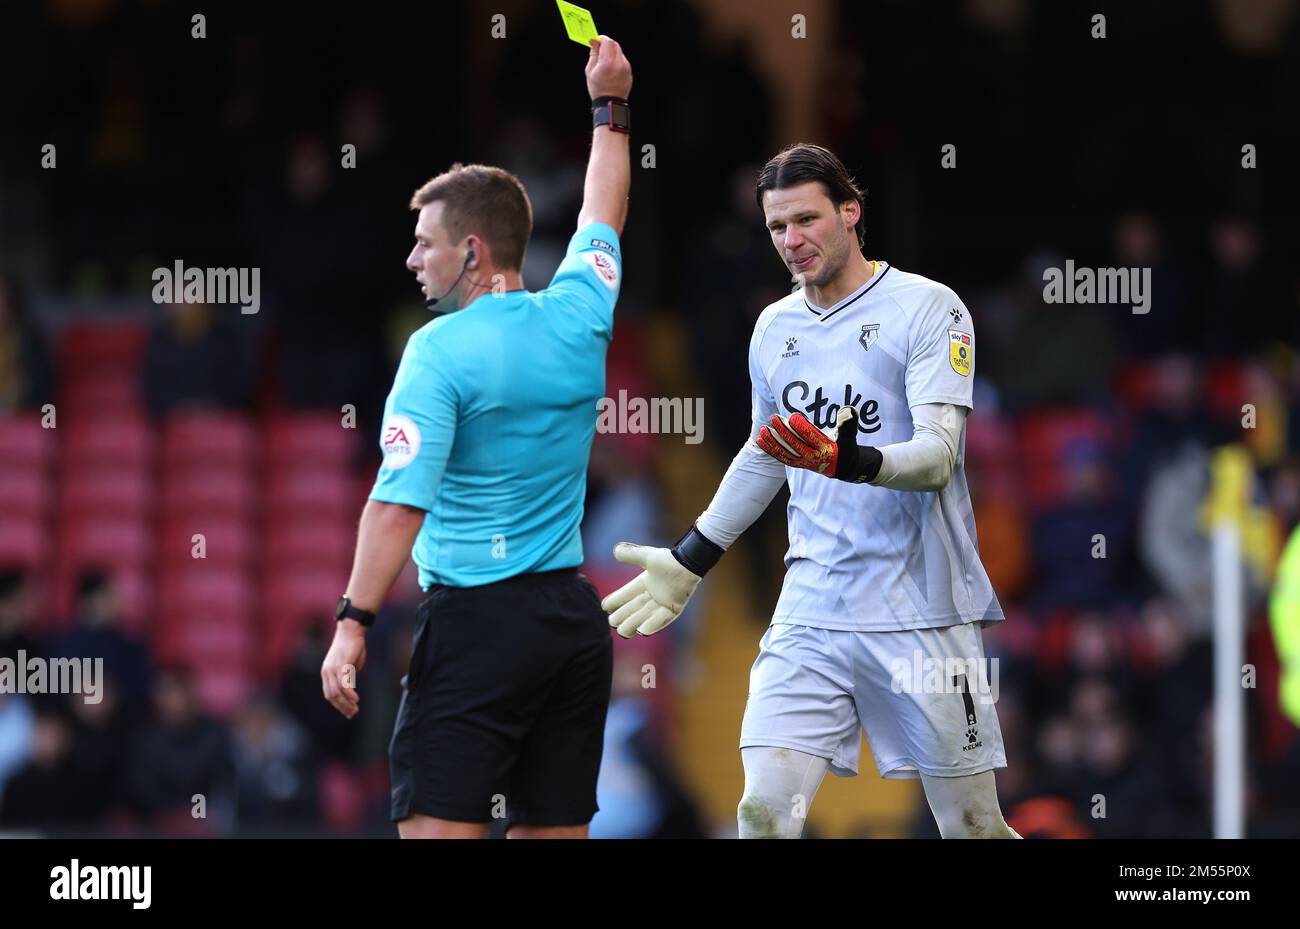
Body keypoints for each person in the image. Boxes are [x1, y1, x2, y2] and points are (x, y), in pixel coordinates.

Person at [602, 143, 1020, 838]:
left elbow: (940, 457)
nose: (791, 241)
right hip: (813, 608)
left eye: (806, 219)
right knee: (762, 813)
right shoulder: (773, 327)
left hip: (924, 606)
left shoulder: (928, 308)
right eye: (776, 227)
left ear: (850, 213)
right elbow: (767, 452)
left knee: (973, 824)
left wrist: (853, 459)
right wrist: (692, 555)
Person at [320, 35, 633, 840]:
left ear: (471, 250)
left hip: (477, 628)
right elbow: (604, 212)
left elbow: (397, 506)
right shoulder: (580, 314)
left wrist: (353, 622)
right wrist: (612, 108)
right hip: (571, 621)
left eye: (425, 242)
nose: (411, 257)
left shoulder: (437, 349)